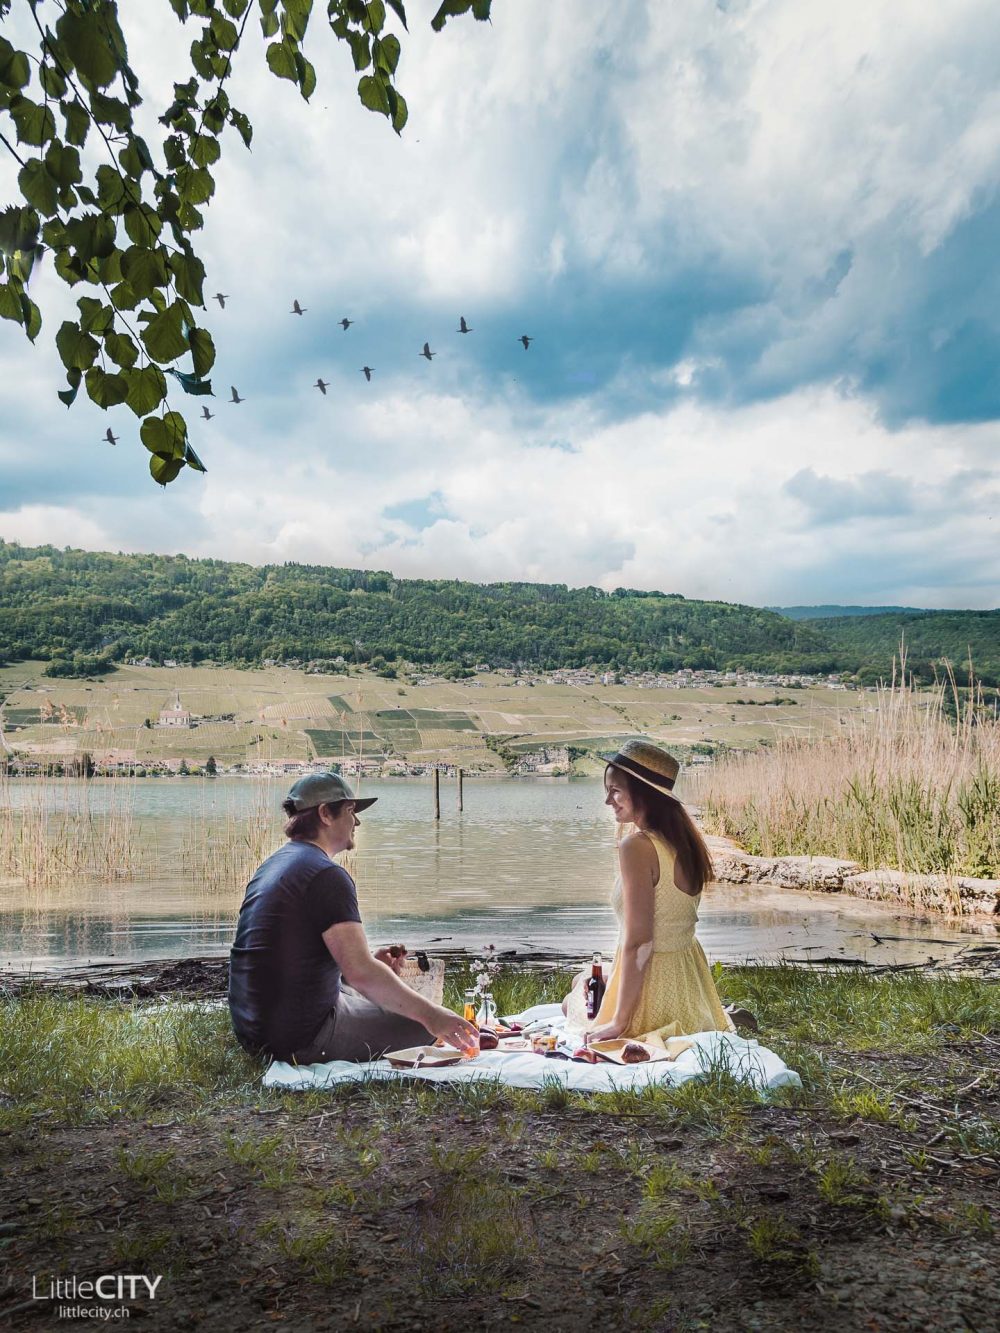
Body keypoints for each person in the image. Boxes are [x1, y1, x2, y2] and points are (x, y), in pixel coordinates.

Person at [228, 772, 479, 1064]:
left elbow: (311, 965)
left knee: (380, 994)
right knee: (421, 1023)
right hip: (300, 1039)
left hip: (253, 1032)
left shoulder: (274, 865)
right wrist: (433, 1016)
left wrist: (372, 966)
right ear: (325, 814)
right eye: (350, 812)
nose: (357, 822)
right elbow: (362, 974)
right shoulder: (326, 875)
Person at [565, 739, 734, 1041]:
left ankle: (615, 1010)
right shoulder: (684, 842)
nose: (608, 801)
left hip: (654, 988)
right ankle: (719, 1014)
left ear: (644, 795)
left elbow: (640, 943)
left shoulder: (638, 847)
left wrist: (619, 1022)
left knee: (573, 1002)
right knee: (588, 977)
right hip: (687, 981)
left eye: (615, 791)